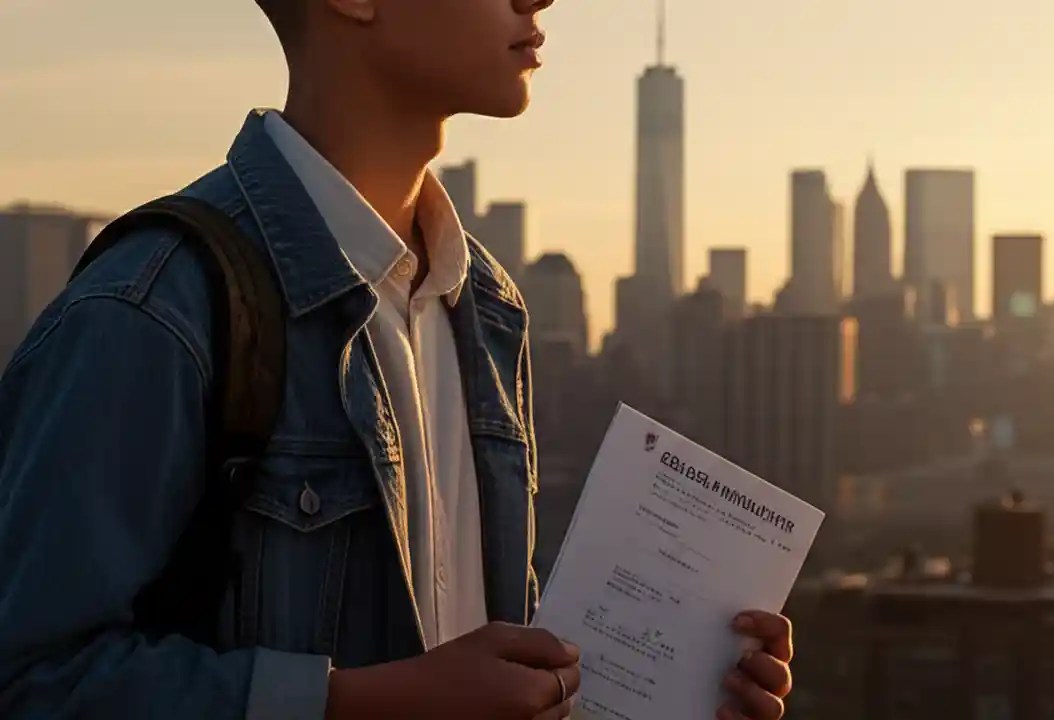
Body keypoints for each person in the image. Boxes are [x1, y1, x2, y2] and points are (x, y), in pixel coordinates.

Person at [0, 0, 796, 718]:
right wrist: (361, 704)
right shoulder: (155, 310)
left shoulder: (485, 306)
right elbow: (30, 678)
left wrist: (658, 695)